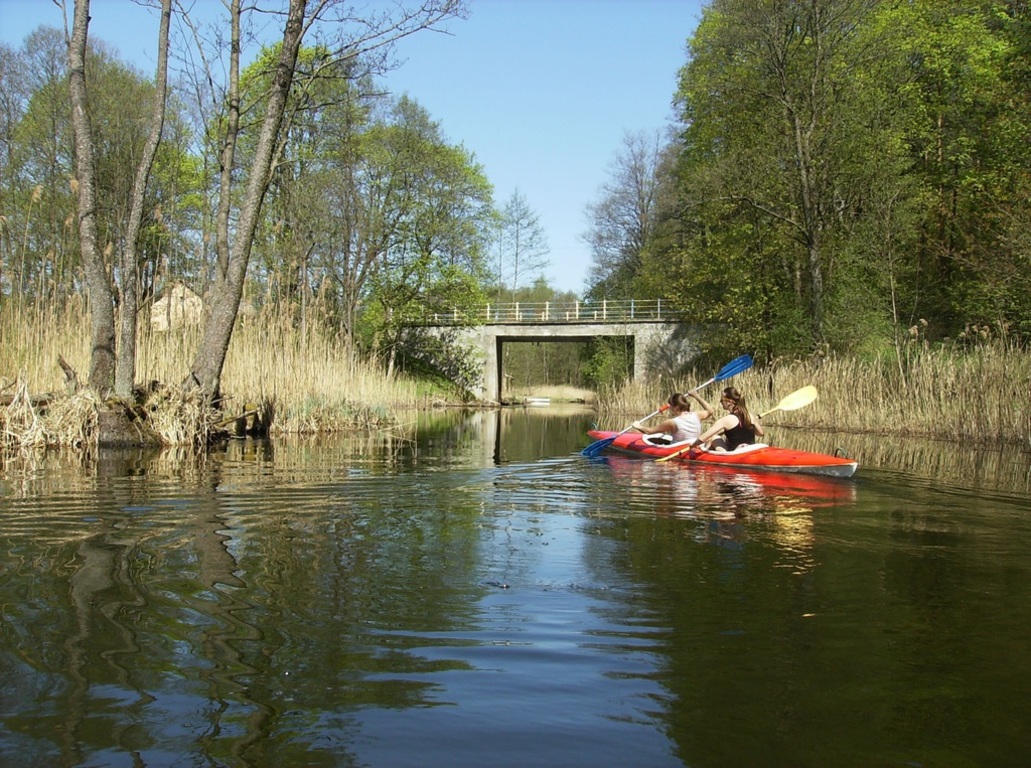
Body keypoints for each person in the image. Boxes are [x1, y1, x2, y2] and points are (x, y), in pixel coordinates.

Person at [688, 386, 765, 451]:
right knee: (719, 437)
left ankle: (704, 454)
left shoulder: (726, 420)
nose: (720, 402)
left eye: (722, 400)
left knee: (714, 438)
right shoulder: (750, 416)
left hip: (735, 454)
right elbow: (761, 433)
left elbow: (702, 438)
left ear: (730, 402)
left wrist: (691, 446)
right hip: (750, 451)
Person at [631, 390, 715, 444]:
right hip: (694, 446)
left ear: (676, 407)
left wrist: (637, 426)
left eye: (670, 405)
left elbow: (649, 431)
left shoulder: (673, 422)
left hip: (679, 449)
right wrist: (696, 396)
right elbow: (710, 411)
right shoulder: (696, 415)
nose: (669, 408)